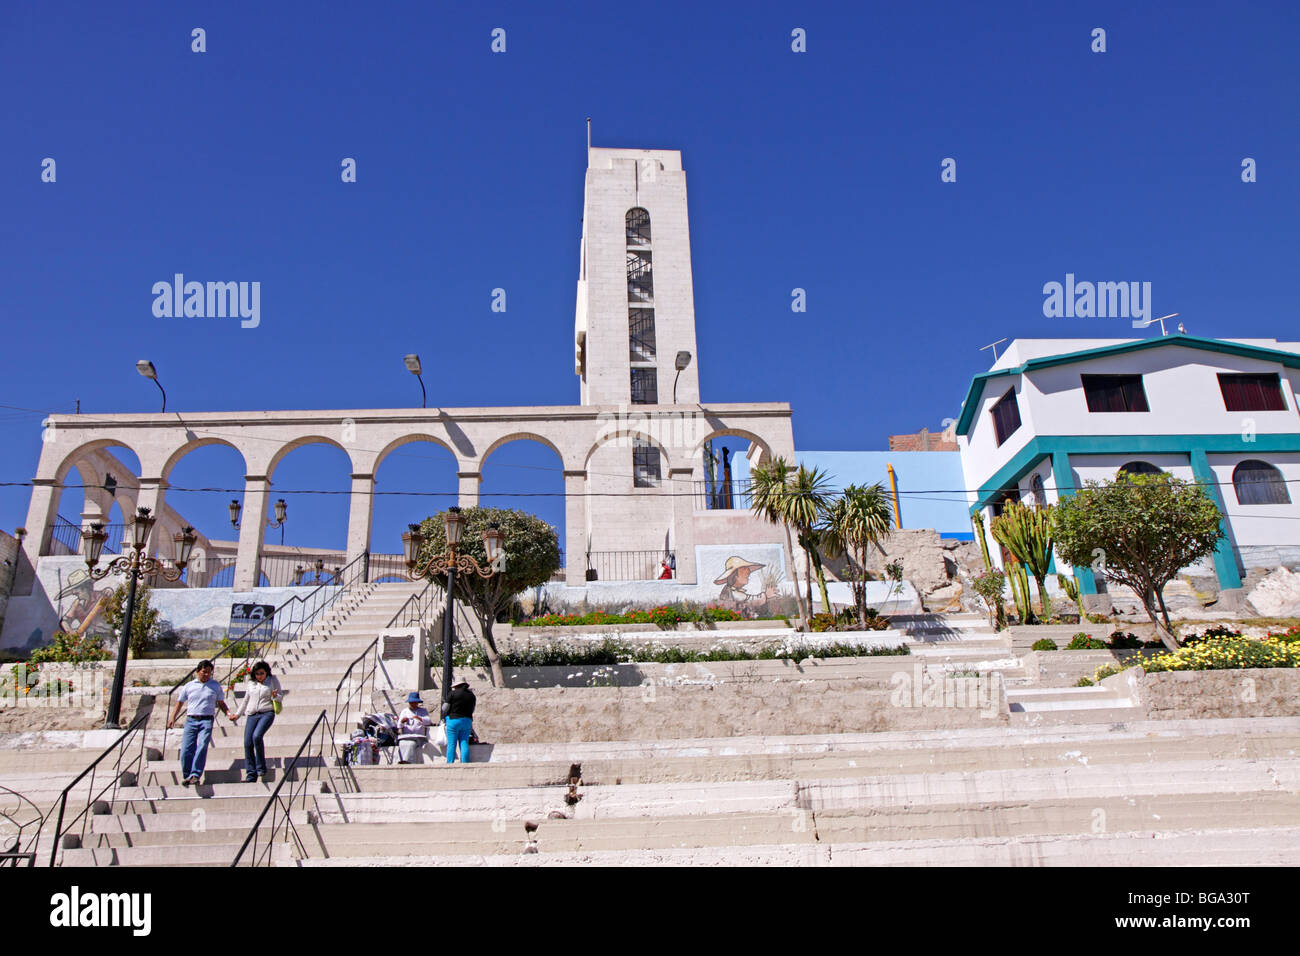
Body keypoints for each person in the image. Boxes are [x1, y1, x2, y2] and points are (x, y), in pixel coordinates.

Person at [167, 660, 232, 786]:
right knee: (186, 749)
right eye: (204, 672)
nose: (206, 675)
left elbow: (221, 703)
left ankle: (196, 774)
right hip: (191, 720)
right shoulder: (189, 686)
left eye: (209, 673)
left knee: (202, 746)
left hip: (206, 720)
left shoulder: (215, 686)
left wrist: (228, 714)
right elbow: (179, 702)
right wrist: (172, 717)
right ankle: (187, 775)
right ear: (197, 671)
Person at [227, 660, 281, 782]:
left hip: (267, 712)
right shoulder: (251, 684)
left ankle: (261, 767)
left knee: (257, 736)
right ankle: (251, 774)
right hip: (252, 714)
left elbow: (280, 696)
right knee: (247, 743)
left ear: (266, 672)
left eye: (262, 673)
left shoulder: (272, 681)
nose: (259, 676)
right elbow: (246, 700)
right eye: (257, 674)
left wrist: (275, 696)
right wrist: (237, 715)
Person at [442, 681, 476, 765]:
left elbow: (444, 708)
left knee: (452, 743)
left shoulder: (453, 693)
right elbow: (473, 709)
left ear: (456, 686)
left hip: (453, 720)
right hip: (467, 721)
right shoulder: (472, 695)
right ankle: (465, 763)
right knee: (464, 742)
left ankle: (450, 763)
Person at [396, 691, 433, 764]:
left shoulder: (423, 711)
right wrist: (402, 722)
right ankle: (401, 760)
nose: (413, 704)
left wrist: (419, 718)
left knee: (411, 744)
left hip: (418, 737)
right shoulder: (405, 711)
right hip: (407, 736)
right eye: (411, 703)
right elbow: (399, 725)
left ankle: (409, 761)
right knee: (402, 743)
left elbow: (428, 721)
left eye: (415, 703)